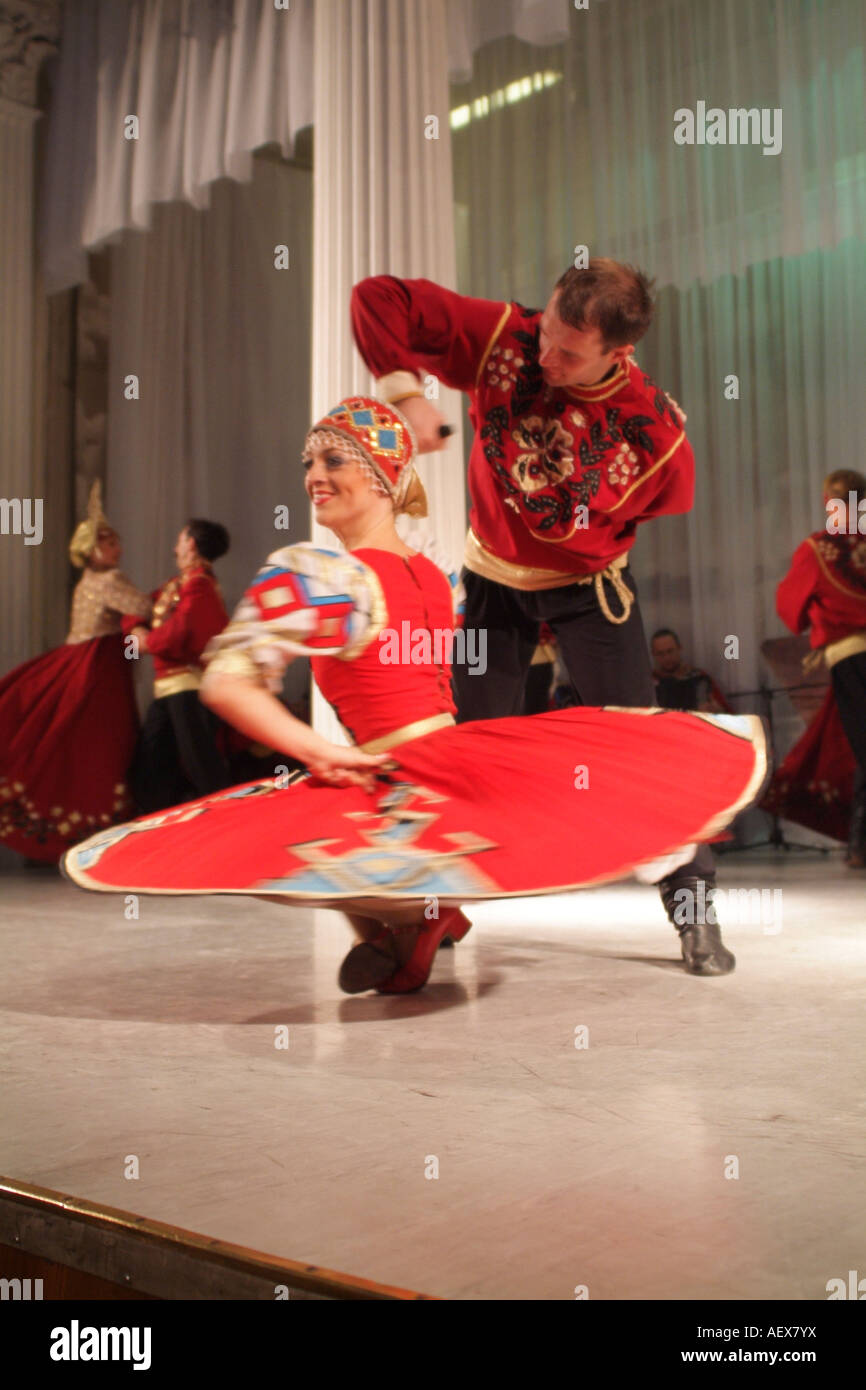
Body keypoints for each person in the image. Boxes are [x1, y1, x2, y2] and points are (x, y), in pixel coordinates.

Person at [63, 398, 767, 996]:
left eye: (334, 461)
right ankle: (422, 919)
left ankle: (410, 922)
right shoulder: (432, 577)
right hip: (453, 753)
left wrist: (312, 750)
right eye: (310, 462)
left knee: (281, 848)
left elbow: (223, 680)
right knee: (336, 847)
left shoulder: (324, 574)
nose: (314, 476)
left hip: (400, 766)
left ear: (380, 478)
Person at [350, 260, 736, 973]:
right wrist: (403, 392)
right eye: (547, 334)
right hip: (493, 583)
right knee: (456, 749)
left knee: (637, 753)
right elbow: (379, 300)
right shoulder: (506, 338)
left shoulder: (654, 436)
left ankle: (694, 912)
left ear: (619, 353)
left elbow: (663, 500)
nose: (546, 358)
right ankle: (430, 916)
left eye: (568, 352)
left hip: (590, 591)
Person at [0, 482, 151, 861]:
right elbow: (142, 606)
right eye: (108, 542)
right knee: (99, 746)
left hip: (78, 661)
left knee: (64, 743)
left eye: (115, 541)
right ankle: (99, 836)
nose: (117, 548)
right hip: (96, 669)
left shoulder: (87, 581)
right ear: (92, 550)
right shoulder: (109, 580)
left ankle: (67, 828)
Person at [776, 469, 866, 866]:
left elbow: (790, 608)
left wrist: (815, 621)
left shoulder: (818, 549)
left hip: (849, 656)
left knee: (860, 746)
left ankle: (861, 845)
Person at [128, 519, 232, 813]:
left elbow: (181, 632)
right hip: (167, 691)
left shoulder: (200, 586)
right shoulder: (178, 585)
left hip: (186, 689)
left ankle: (228, 825)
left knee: (201, 767)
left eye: (179, 540)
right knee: (152, 766)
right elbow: (138, 607)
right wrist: (135, 626)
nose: (175, 548)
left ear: (191, 544)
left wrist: (147, 642)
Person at [651, 629, 731, 712]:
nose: (667, 658)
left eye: (670, 651)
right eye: (660, 653)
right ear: (653, 654)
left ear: (679, 648)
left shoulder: (700, 678)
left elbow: (729, 715)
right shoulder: (650, 684)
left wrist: (716, 710)